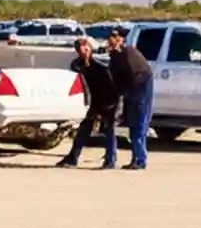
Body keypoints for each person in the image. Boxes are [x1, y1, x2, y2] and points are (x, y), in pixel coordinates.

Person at [57, 37, 119, 169]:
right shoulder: (77, 65)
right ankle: (72, 158)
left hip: (107, 101)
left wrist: (108, 106)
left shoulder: (100, 64)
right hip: (90, 103)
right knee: (84, 131)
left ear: (90, 48)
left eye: (85, 48)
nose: (83, 51)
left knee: (109, 130)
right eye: (80, 49)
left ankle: (110, 160)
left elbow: (110, 86)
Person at [106, 26, 153, 170]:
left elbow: (139, 76)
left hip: (140, 94)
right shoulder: (115, 56)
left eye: (116, 37)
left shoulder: (129, 53)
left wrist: (126, 92)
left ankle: (140, 160)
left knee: (139, 128)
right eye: (111, 38)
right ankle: (136, 158)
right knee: (134, 129)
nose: (112, 40)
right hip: (131, 95)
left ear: (121, 39)